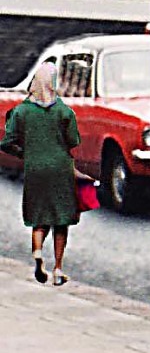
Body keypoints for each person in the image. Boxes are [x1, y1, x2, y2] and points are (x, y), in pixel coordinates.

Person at [0, 61, 83, 286]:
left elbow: (6, 143)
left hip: (35, 168)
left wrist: (26, 153)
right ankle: (58, 269)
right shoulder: (64, 111)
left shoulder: (21, 111)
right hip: (60, 169)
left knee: (39, 217)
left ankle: (37, 254)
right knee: (61, 222)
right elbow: (73, 141)